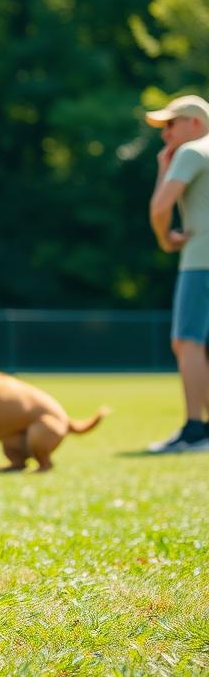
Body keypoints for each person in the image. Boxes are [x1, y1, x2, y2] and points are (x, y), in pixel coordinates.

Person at [146, 94, 209, 452]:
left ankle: (195, 431)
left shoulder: (192, 151)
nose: (165, 135)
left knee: (187, 342)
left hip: (201, 261)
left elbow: (160, 207)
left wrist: (165, 238)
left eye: (171, 124)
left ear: (195, 123)